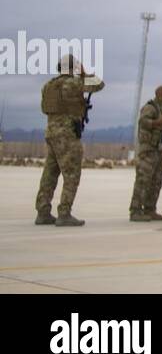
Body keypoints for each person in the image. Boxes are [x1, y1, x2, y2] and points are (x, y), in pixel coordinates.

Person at [34, 55, 105, 227]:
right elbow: (98, 84)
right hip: (67, 134)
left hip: (51, 132)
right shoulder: (73, 83)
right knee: (71, 174)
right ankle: (64, 213)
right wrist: (84, 73)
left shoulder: (49, 85)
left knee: (50, 173)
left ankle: (43, 212)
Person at [129, 86, 162, 221]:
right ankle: (136, 210)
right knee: (143, 181)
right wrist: (159, 122)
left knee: (156, 182)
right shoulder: (150, 108)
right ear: (160, 94)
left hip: (159, 153)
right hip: (148, 151)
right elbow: (143, 122)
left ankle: (150, 209)